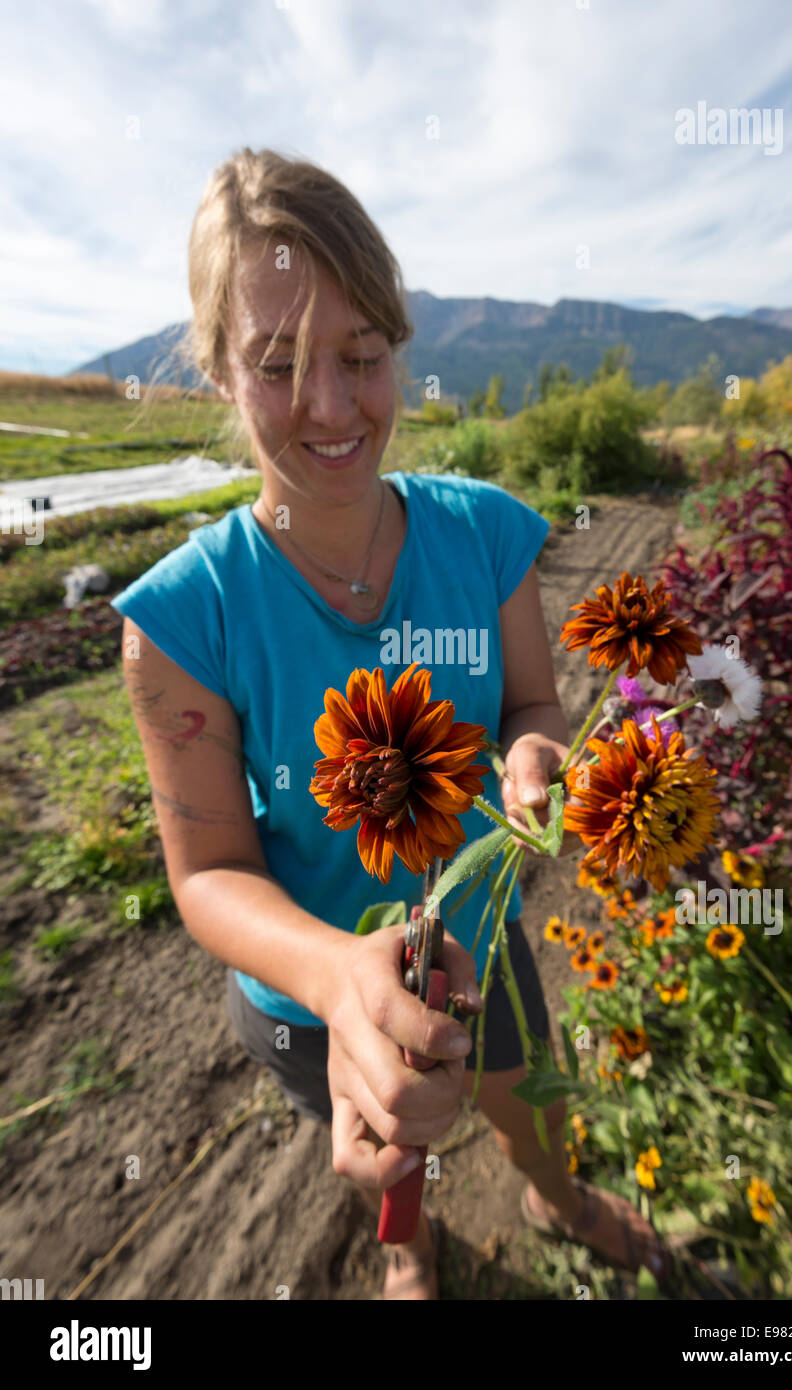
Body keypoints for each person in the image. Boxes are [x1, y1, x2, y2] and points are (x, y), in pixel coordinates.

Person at [112, 148, 672, 1300]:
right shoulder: (181, 620)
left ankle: (556, 1196)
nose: (330, 405)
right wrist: (337, 978)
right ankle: (408, 1242)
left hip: (479, 933)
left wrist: (532, 757)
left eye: (361, 357)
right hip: (306, 990)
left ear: (400, 349)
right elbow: (208, 871)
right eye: (277, 364)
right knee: (382, 1138)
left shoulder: (484, 538)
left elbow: (528, 703)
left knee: (524, 1100)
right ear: (220, 369)